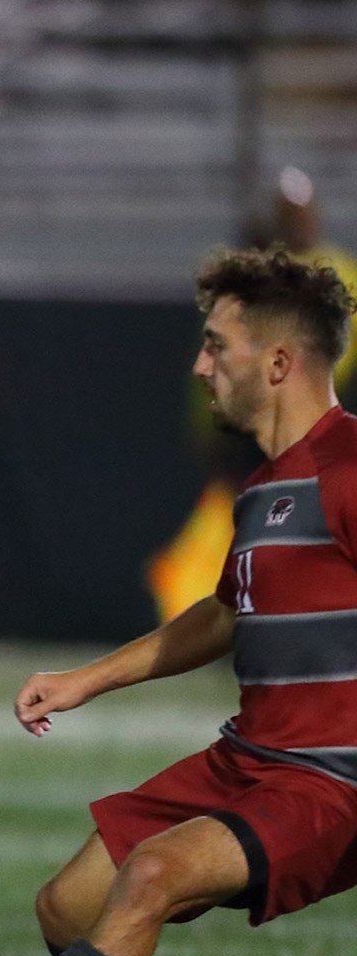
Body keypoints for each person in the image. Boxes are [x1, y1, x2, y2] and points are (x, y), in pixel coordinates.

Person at [0, 247, 357, 956]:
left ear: (279, 363)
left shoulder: (351, 468)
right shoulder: (264, 488)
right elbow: (222, 615)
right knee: (69, 906)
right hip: (250, 759)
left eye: (216, 345)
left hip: (332, 778)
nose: (200, 365)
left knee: (150, 875)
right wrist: (85, 681)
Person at [148, 168, 357, 622]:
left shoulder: (339, 270)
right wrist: (208, 423)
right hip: (256, 429)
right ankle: (229, 615)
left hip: (316, 422)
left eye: (301, 213)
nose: (297, 224)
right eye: (287, 214)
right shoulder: (254, 279)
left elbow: (337, 356)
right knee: (247, 525)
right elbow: (215, 356)